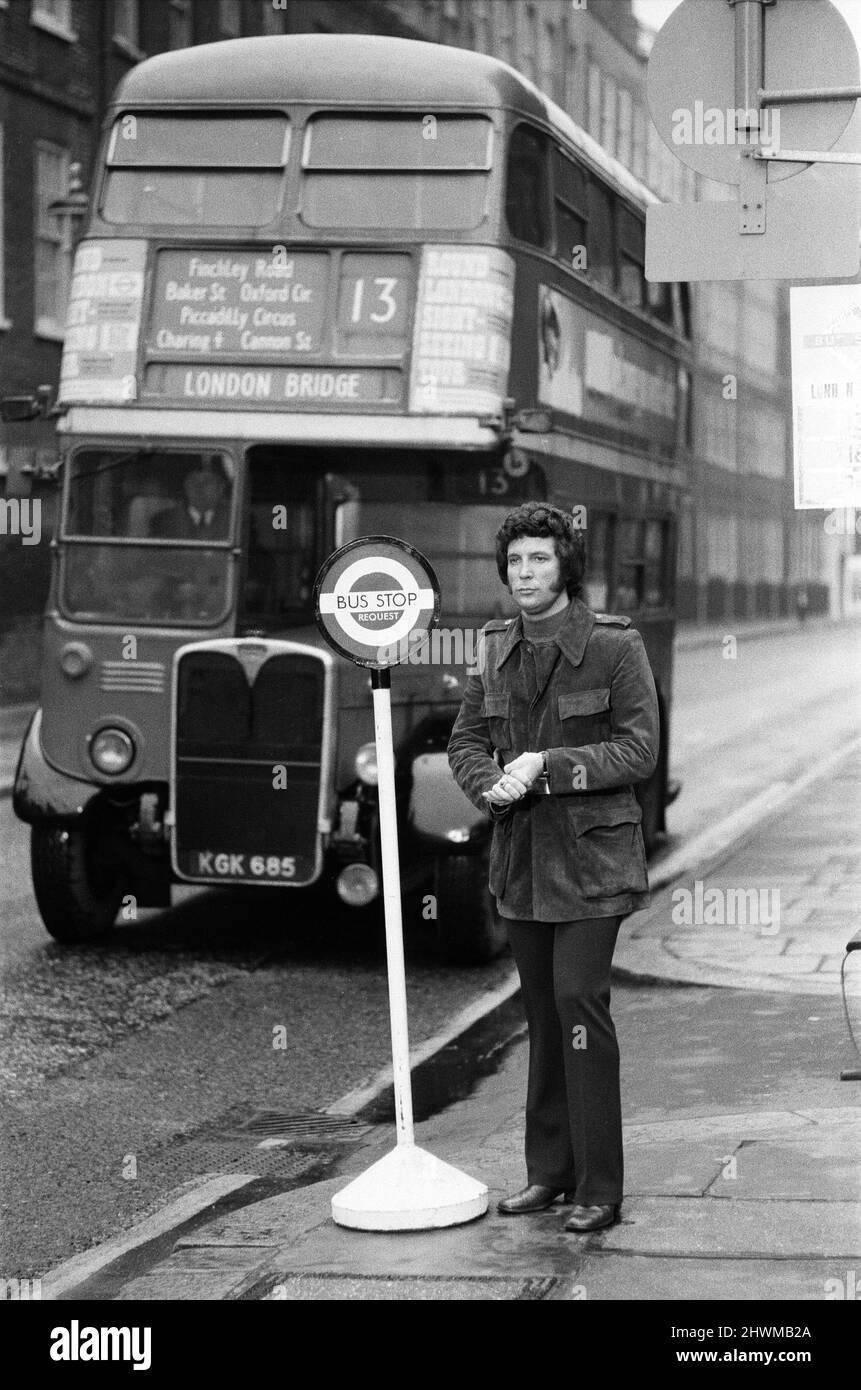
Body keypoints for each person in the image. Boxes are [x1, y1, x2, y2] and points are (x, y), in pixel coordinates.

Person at [447, 502, 659, 1233]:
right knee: (540, 1014)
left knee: (577, 1004)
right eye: (514, 563)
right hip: (521, 864)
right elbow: (466, 742)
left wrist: (547, 765)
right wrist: (489, 782)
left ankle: (600, 1186)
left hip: (593, 863)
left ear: (563, 566)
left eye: (538, 559)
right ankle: (550, 1174)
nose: (525, 573)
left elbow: (637, 751)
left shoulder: (612, 647)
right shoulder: (492, 647)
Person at [151, 459, 231, 540]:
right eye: (193, 481)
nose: (199, 487)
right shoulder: (165, 520)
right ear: (185, 486)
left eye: (207, 481)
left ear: (220, 488)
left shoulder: (233, 519)